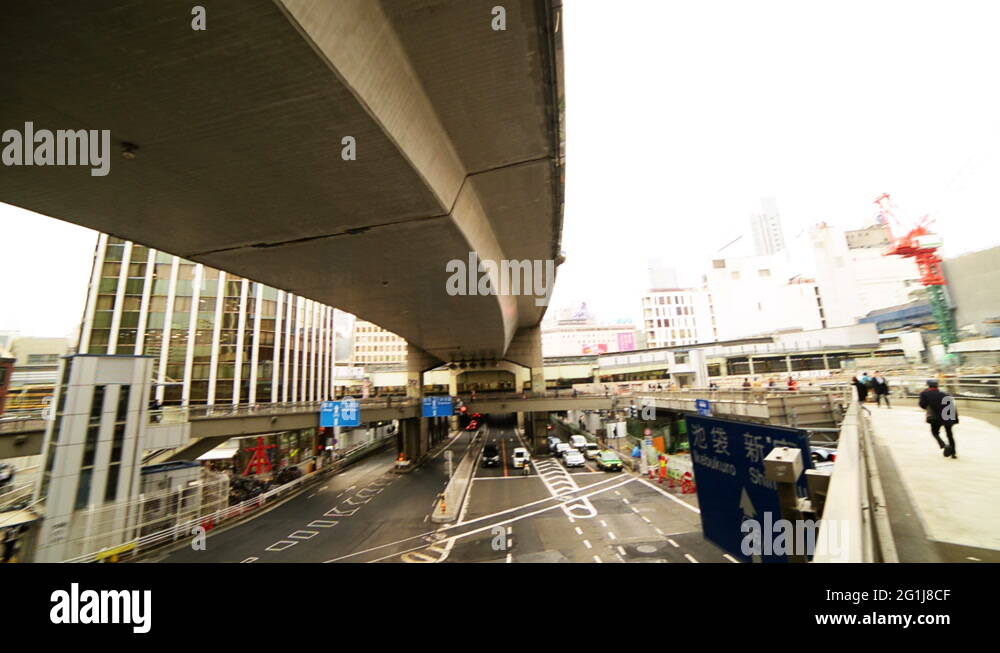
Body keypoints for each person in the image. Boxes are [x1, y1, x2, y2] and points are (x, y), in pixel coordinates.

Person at [919, 379, 959, 458]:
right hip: (948, 417)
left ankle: (943, 445)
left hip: (935, 417)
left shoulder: (924, 393)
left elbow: (922, 405)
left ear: (928, 385)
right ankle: (953, 453)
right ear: (937, 386)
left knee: (935, 432)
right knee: (950, 435)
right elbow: (952, 407)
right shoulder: (945, 394)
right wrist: (955, 419)